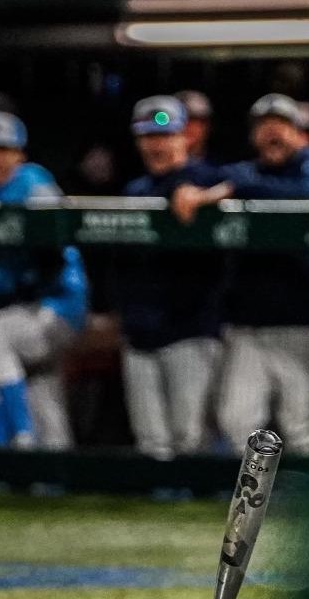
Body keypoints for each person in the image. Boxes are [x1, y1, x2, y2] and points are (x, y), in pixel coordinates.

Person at [173, 92, 309, 454]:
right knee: (238, 421)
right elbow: (216, 175)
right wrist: (193, 189)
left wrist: (230, 189)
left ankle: (305, 507)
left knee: (303, 428)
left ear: (299, 133)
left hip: (301, 322)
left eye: (281, 127)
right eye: (265, 128)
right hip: (248, 325)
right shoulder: (245, 172)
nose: (273, 135)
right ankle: (253, 505)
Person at [110, 95, 228, 459]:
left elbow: (243, 181)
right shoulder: (135, 191)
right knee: (151, 442)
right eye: (148, 137)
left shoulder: (208, 178)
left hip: (190, 331)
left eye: (164, 135)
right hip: (140, 331)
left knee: (189, 437)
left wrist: (208, 195)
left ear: (185, 137)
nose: (156, 144)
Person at [0, 111, 87, 450]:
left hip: (56, 305)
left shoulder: (34, 182)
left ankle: (21, 437)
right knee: (40, 391)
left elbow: (52, 252)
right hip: (20, 309)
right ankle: (51, 471)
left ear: (20, 154)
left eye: (3, 150)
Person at [174, 89, 214, 161]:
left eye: (191, 119)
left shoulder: (222, 169)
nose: (183, 126)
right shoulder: (154, 169)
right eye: (177, 119)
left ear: (205, 125)